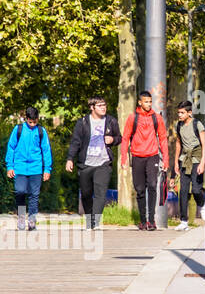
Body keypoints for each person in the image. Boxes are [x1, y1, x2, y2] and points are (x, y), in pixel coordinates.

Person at [65, 97, 121, 230]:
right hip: (85, 164)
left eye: (104, 105)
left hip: (103, 163)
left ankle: (95, 222)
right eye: (100, 105)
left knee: (100, 193)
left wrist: (113, 139)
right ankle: (89, 220)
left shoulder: (111, 121)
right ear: (92, 107)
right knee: (85, 194)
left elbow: (120, 138)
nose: (103, 107)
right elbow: (75, 142)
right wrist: (69, 159)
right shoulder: (83, 122)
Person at [120, 90, 169, 231]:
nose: (148, 104)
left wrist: (165, 159)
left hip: (152, 155)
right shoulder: (132, 118)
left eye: (150, 102)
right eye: (145, 102)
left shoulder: (157, 118)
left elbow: (163, 139)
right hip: (137, 157)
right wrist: (124, 158)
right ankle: (142, 220)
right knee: (140, 189)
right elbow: (125, 139)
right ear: (140, 102)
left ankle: (152, 220)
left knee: (153, 185)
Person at [6, 107, 52, 231]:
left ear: (37, 119)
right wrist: (10, 166)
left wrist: (47, 169)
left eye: (35, 122)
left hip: (36, 168)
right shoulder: (18, 129)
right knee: (19, 191)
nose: (32, 125)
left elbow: (46, 150)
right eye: (30, 122)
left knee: (34, 195)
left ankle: (32, 219)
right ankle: (21, 216)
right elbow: (11, 147)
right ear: (26, 119)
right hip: (19, 167)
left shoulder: (41, 131)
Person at [170, 101, 205, 230]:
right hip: (184, 159)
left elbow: (204, 144)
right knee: (183, 191)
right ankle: (184, 221)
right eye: (178, 112)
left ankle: (202, 204)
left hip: (196, 158)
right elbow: (178, 144)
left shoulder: (197, 124)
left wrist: (203, 162)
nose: (179, 115)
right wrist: (175, 163)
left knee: (196, 189)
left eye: (182, 112)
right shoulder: (179, 125)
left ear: (189, 113)